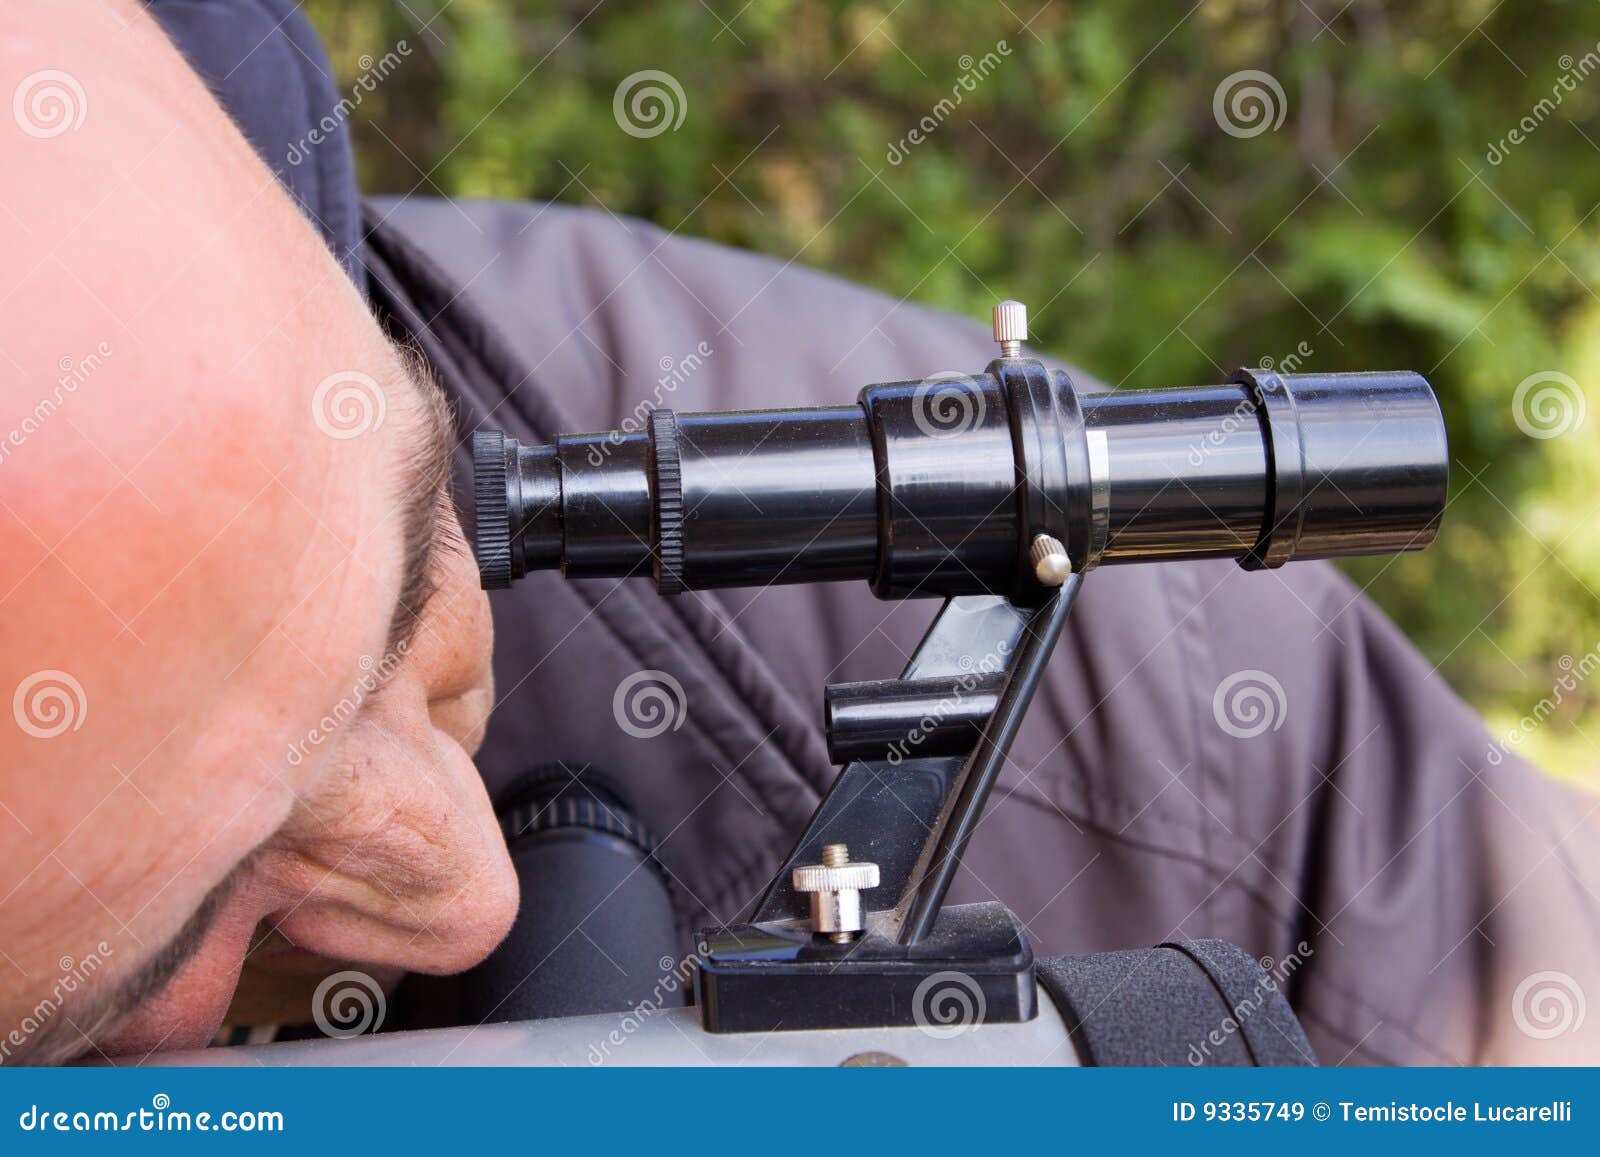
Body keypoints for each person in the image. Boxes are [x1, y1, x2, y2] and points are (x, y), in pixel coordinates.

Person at [1, 0, 1595, 1066]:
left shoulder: (1159, 752)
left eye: (421, 555)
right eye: (199, 911)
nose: (475, 891)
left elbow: (1500, 958)